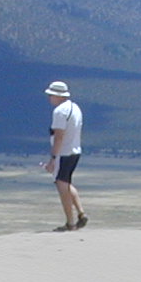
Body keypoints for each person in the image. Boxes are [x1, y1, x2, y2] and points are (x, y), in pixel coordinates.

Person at [43, 80, 87, 230]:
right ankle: (81, 214)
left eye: (51, 95)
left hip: (64, 153)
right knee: (66, 183)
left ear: (57, 95)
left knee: (61, 185)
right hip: (75, 151)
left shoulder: (60, 112)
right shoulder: (75, 108)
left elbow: (59, 136)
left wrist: (53, 159)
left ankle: (70, 222)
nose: (49, 98)